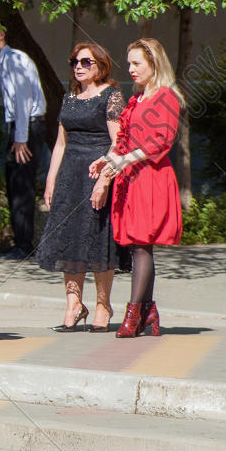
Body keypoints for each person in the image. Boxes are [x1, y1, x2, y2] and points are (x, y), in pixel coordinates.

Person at [89, 37, 183, 338]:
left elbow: (160, 141)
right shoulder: (137, 99)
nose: (130, 69)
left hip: (151, 178)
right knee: (136, 245)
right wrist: (106, 160)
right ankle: (148, 312)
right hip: (132, 178)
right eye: (129, 63)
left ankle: (133, 313)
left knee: (142, 245)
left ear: (154, 64)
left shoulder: (166, 96)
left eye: (136, 63)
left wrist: (125, 159)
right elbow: (126, 139)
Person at [35, 42, 123, 331]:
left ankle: (103, 305)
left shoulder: (111, 96)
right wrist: (51, 180)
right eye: (75, 61)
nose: (79, 66)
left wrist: (104, 179)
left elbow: (118, 143)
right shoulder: (69, 96)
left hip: (96, 175)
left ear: (101, 64)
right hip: (69, 176)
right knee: (69, 240)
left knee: (97, 241)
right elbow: (60, 144)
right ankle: (74, 304)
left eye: (86, 61)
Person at [0, 28, 47, 259]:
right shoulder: (4, 61)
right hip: (19, 125)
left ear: (1, 35)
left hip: (26, 125)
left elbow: (23, 101)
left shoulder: (15, 59)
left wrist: (21, 138)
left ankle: (24, 244)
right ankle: (20, 240)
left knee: (22, 184)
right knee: (14, 183)